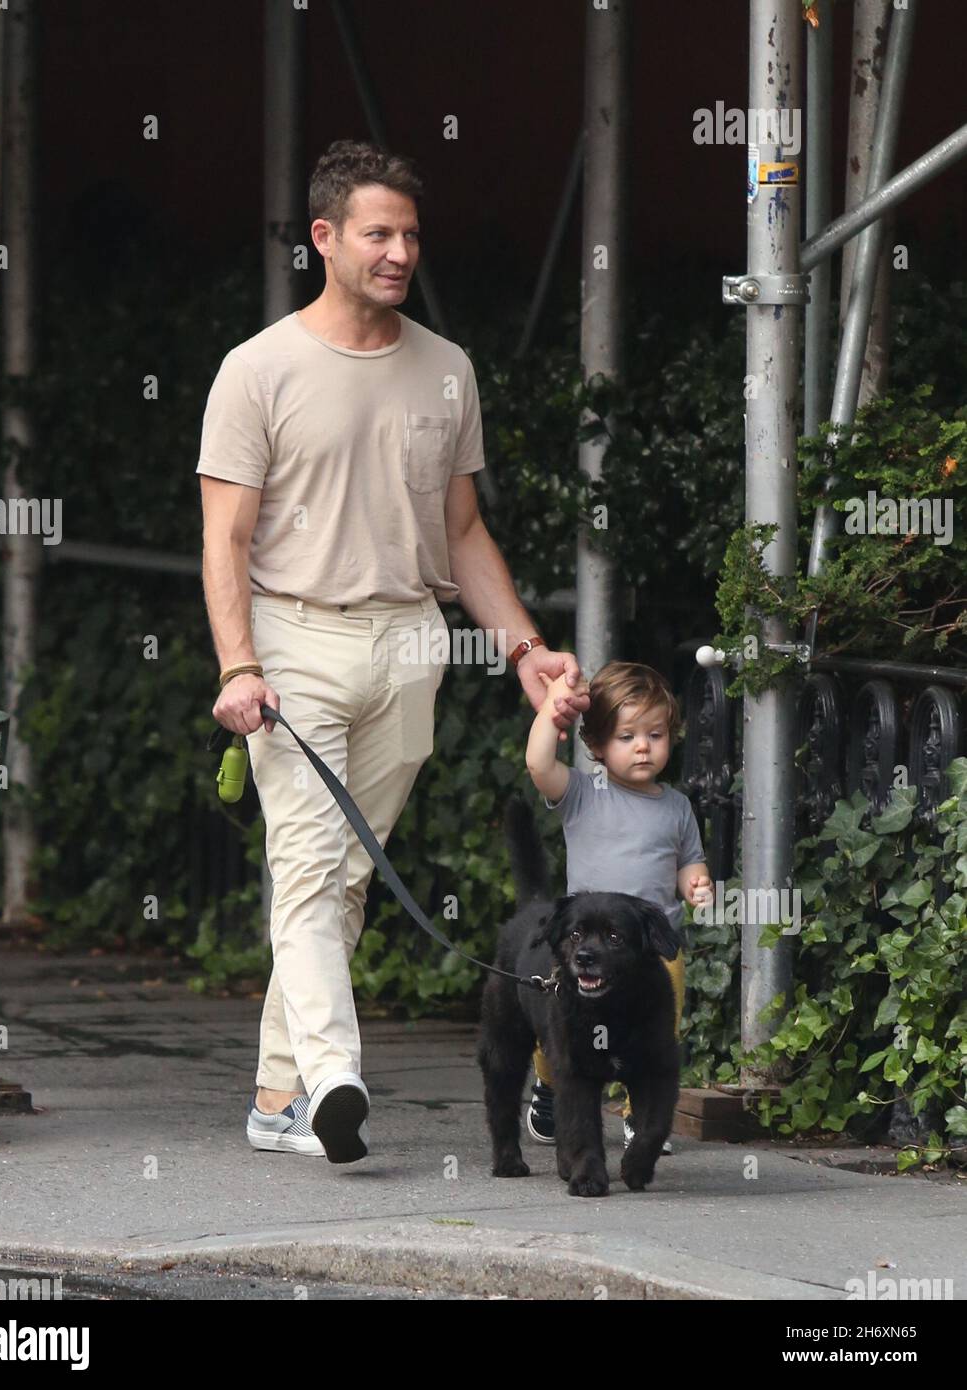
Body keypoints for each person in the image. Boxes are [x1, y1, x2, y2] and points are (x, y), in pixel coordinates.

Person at [196, 139, 590, 1164]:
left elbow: (463, 534)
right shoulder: (259, 370)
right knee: (308, 864)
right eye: (379, 232)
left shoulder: (447, 370)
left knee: (345, 881)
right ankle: (334, 1075)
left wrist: (525, 652)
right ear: (324, 238)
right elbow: (225, 539)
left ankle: (279, 1095)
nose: (401, 250)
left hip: (411, 640)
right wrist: (239, 665)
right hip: (295, 637)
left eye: (411, 233)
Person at [523, 659, 713, 1150]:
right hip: (584, 945)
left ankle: (640, 1114)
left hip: (650, 946)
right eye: (627, 736)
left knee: (656, 1033)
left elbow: (689, 860)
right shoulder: (585, 793)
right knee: (557, 1027)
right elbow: (539, 765)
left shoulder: (676, 806)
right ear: (598, 745)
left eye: (656, 733)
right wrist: (551, 711)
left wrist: (696, 885)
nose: (644, 746)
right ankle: (549, 1083)